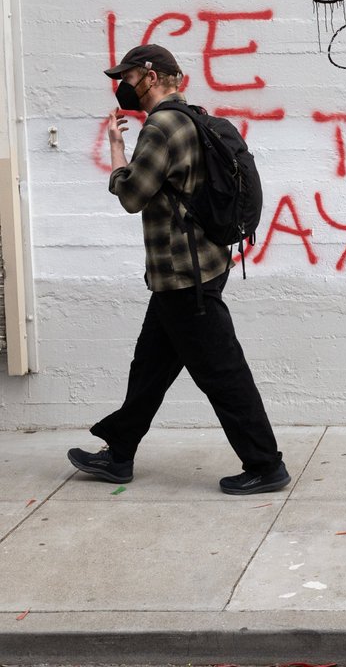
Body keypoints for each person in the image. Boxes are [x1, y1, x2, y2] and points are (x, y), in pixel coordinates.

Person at [67, 44, 289, 495]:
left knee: (223, 374)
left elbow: (131, 195)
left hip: (185, 278)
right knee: (150, 366)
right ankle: (120, 452)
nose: (121, 86)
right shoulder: (191, 117)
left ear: (150, 77)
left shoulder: (161, 126)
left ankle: (266, 466)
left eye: (126, 77)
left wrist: (115, 150)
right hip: (193, 268)